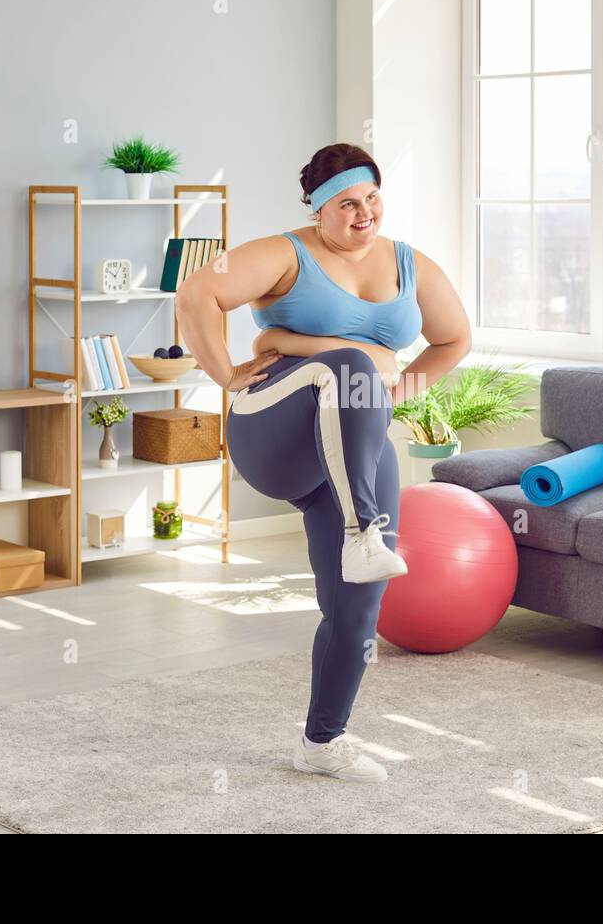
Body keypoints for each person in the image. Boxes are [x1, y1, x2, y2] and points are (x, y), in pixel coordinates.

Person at [175, 143, 471, 781]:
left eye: (371, 199)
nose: (364, 214)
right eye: (346, 205)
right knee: (351, 365)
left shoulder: (408, 263)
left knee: (359, 605)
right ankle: (362, 530)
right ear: (317, 211)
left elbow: (454, 338)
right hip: (274, 425)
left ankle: (321, 743)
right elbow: (196, 292)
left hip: (350, 449)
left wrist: (396, 388)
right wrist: (228, 373)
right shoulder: (287, 253)